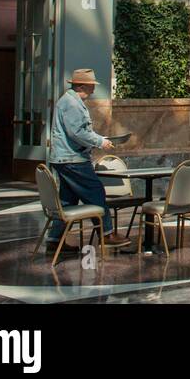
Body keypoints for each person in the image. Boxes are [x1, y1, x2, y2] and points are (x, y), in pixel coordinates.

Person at [47, 68, 129, 253]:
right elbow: (77, 132)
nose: (93, 89)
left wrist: (100, 139)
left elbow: (80, 131)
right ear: (83, 85)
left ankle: (54, 240)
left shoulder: (70, 101)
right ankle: (106, 234)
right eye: (92, 85)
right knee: (95, 190)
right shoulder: (72, 104)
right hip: (72, 159)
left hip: (65, 158)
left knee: (68, 200)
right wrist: (100, 141)